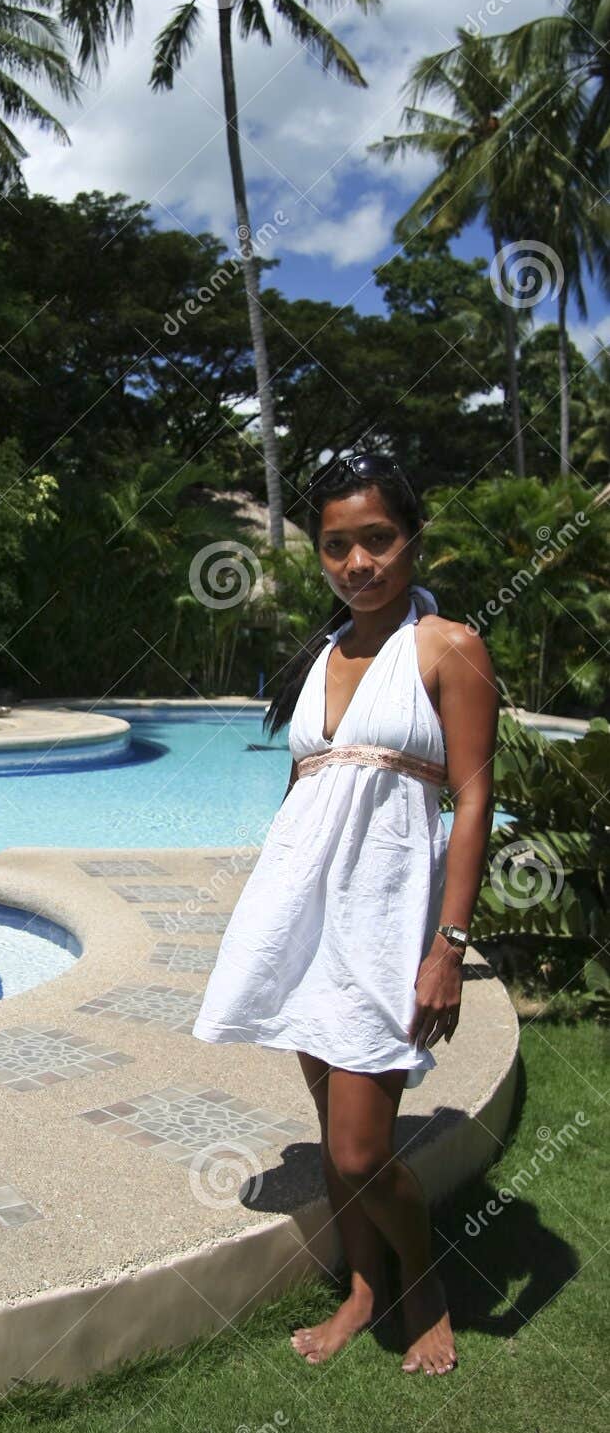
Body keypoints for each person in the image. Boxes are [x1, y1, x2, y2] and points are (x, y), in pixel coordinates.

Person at [191, 452, 499, 1377]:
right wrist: (271, 919)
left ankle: (422, 1275)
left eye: (376, 539)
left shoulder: (446, 647)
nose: (357, 562)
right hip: (306, 921)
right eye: (336, 546)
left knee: (364, 1150)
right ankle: (364, 1289)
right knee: (331, 1125)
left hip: (385, 926)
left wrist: (448, 944)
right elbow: (304, 793)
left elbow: (474, 800)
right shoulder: (322, 654)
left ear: (410, 540)